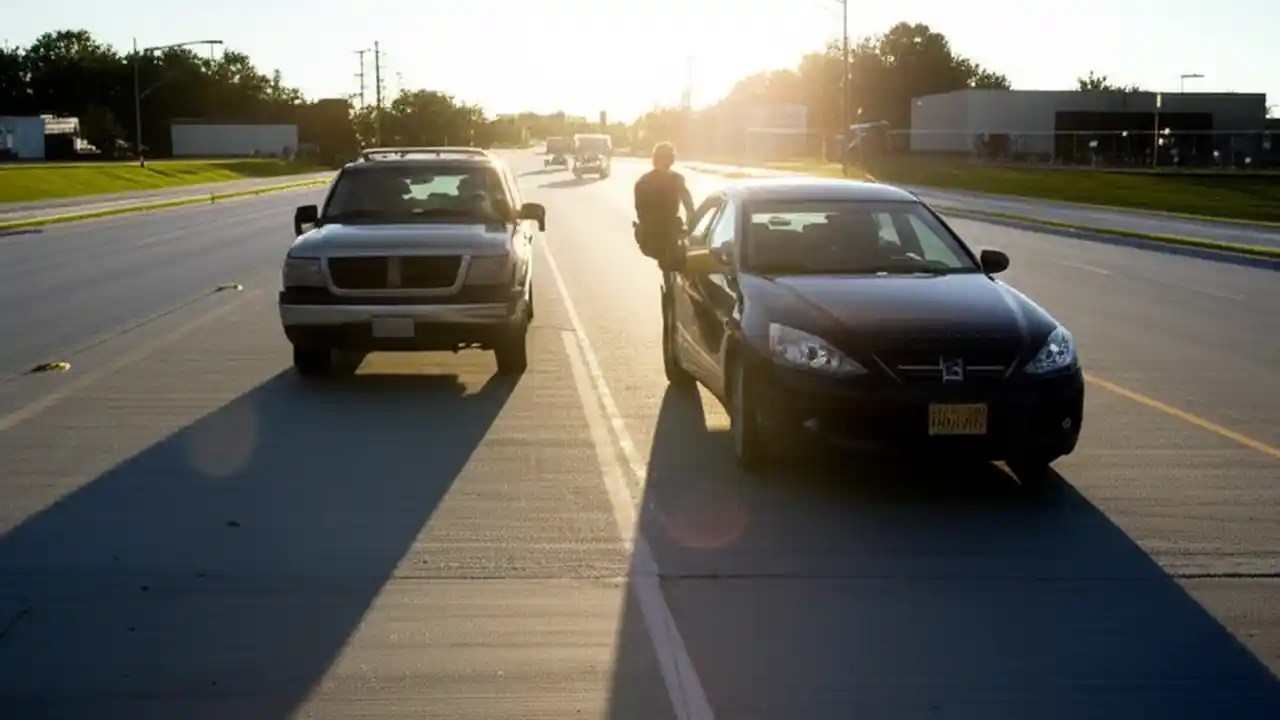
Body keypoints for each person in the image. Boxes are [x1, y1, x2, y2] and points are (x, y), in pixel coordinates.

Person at [633, 141, 695, 272]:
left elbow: (640, 212)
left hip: (655, 233)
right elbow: (689, 207)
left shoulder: (643, 182)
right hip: (664, 232)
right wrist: (689, 227)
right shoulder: (677, 180)